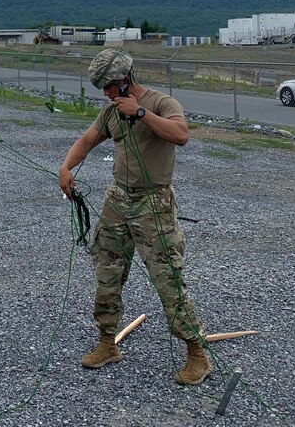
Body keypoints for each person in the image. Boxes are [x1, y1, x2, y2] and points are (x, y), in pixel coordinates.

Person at [58, 49, 210, 385]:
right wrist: (66, 167)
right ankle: (107, 343)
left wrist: (140, 113)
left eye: (109, 86)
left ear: (126, 79)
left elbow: (181, 135)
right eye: (102, 88)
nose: (106, 93)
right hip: (118, 199)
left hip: (153, 202)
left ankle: (197, 353)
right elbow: (87, 140)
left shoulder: (161, 103)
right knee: (107, 271)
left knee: (167, 278)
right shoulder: (111, 111)